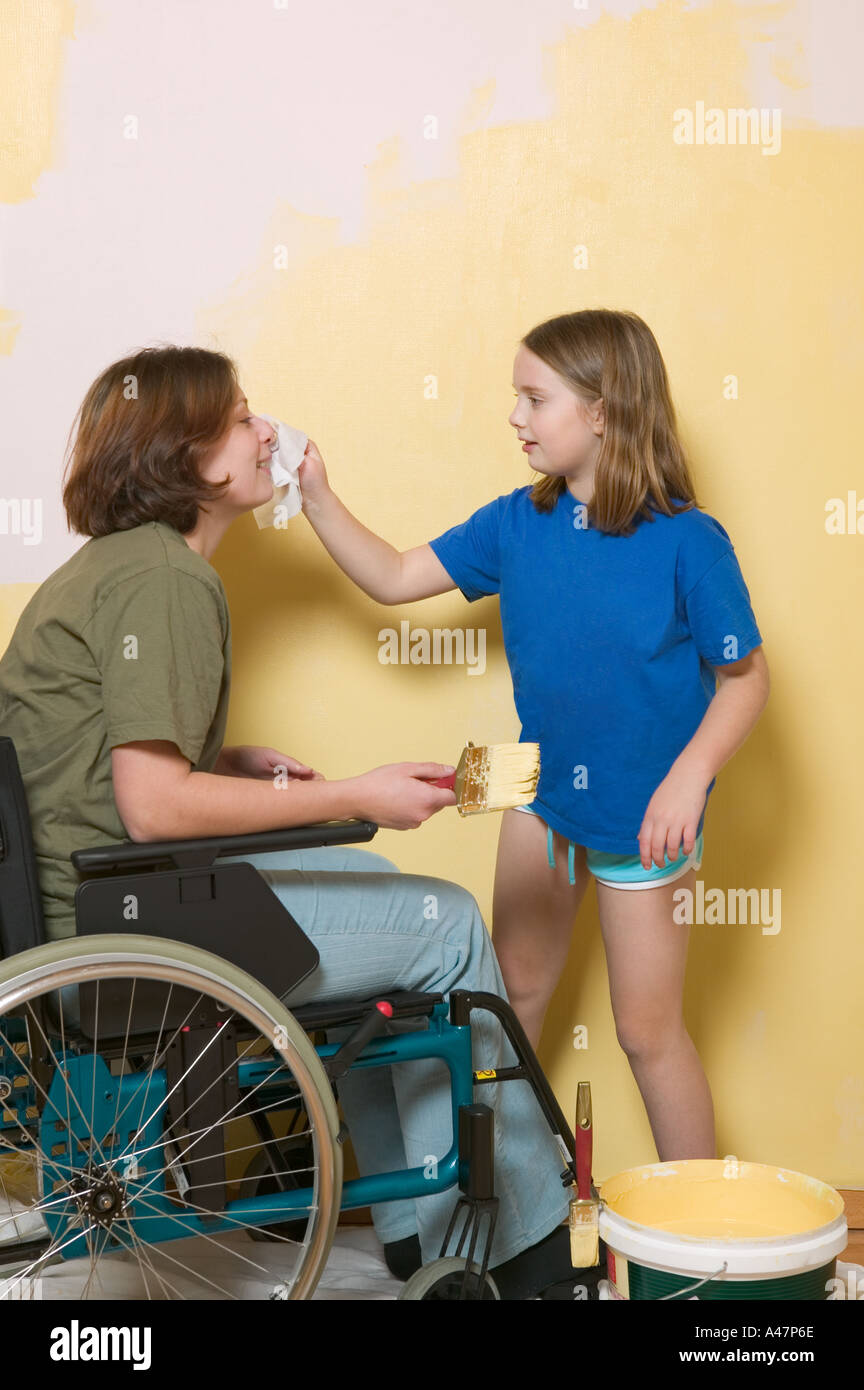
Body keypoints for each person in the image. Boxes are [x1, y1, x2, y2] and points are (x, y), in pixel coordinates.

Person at [0, 344, 595, 1299]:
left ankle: (416, 1236)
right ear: (188, 457)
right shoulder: (166, 581)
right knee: (445, 925)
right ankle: (520, 1254)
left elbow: (110, 772)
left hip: (105, 905)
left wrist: (228, 765)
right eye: (241, 418)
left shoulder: (120, 567)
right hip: (127, 929)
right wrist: (356, 796)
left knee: (386, 899)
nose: (266, 430)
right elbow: (152, 809)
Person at [295, 308, 770, 1165]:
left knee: (646, 1033)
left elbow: (744, 681)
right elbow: (397, 576)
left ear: (602, 409)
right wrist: (318, 497)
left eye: (534, 398)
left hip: (647, 811)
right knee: (508, 999)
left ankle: (703, 1242)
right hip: (535, 786)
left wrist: (687, 781)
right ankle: (507, 1212)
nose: (515, 417)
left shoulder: (690, 543)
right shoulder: (517, 521)